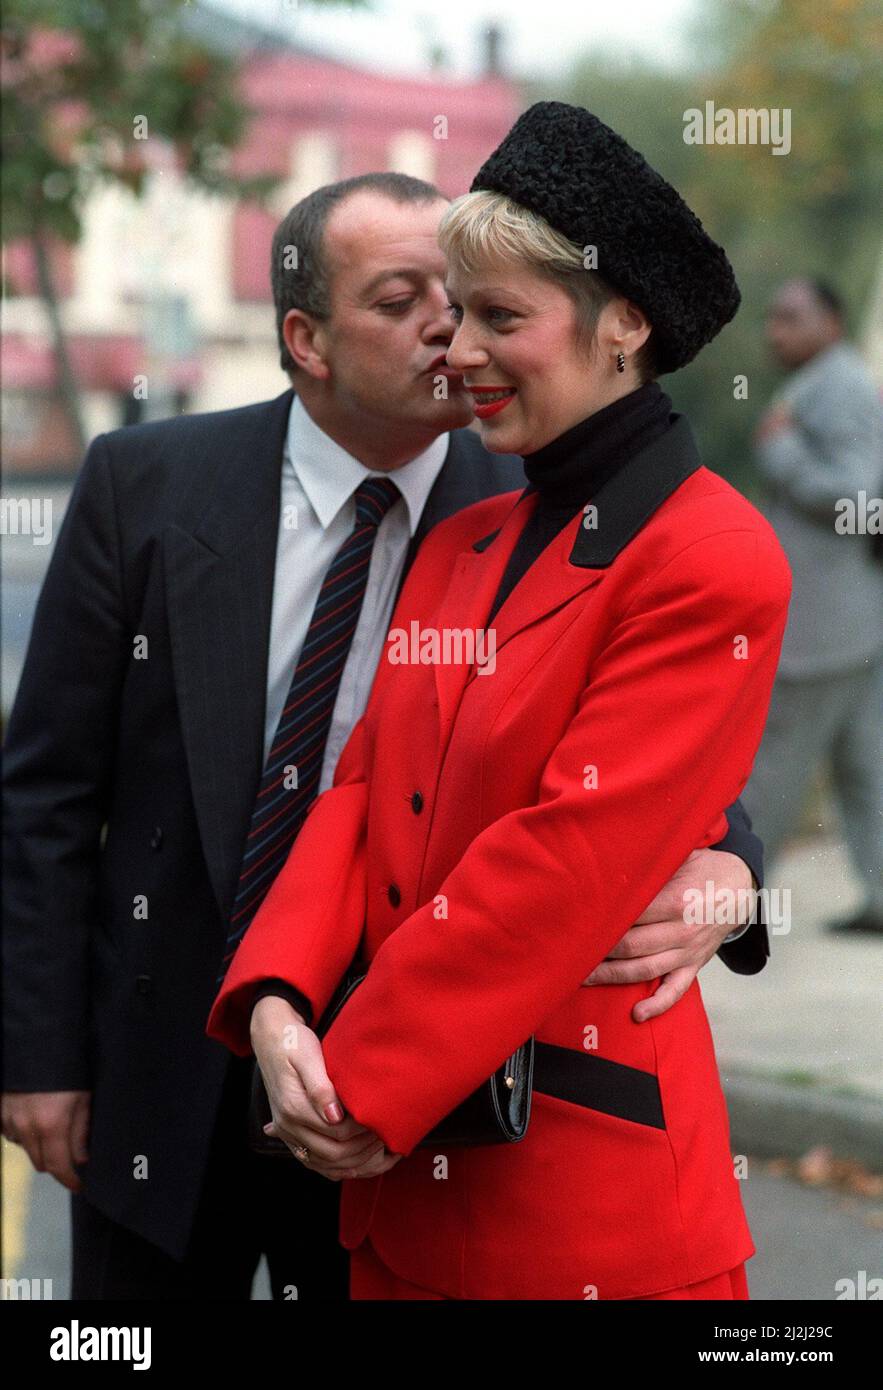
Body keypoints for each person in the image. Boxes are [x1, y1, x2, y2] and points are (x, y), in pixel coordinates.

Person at [2, 170, 762, 1301]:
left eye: (472, 305)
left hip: (428, 1107)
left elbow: (631, 770)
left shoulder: (528, 500)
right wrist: (41, 1056)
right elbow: (48, 791)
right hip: (163, 1068)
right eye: (407, 300)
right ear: (306, 338)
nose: (449, 335)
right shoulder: (145, 483)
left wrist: (734, 865)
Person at [207, 104, 792, 1301]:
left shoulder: (713, 556)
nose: (456, 349)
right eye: (452, 313)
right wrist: (274, 1002)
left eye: (499, 316)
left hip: (581, 1216)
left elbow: (563, 859)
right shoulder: (467, 537)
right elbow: (359, 792)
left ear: (622, 324)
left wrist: (357, 1081)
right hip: (400, 1213)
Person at [744, 278, 883, 934]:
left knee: (772, 763)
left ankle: (737, 901)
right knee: (864, 766)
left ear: (830, 320)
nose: (776, 331)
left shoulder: (839, 387)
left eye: (791, 318)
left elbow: (859, 497)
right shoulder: (830, 380)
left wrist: (781, 452)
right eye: (772, 318)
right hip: (849, 616)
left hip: (823, 625)